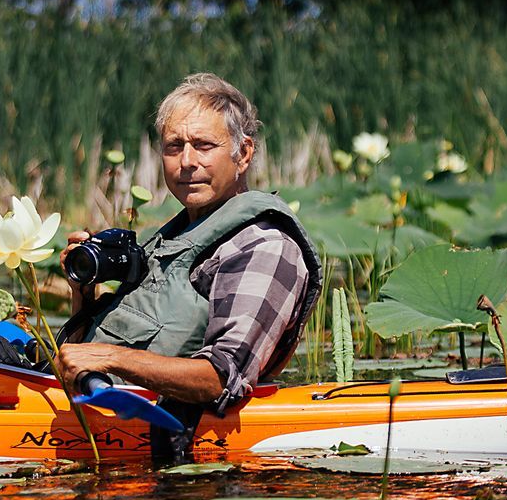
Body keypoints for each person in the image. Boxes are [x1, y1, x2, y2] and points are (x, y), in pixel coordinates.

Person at [56, 73, 322, 460]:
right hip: (96, 395)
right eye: (174, 146)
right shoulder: (172, 237)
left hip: (172, 427)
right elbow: (80, 352)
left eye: (203, 145)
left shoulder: (265, 247)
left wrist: (110, 358)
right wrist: (82, 293)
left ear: (243, 153)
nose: (186, 162)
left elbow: (222, 377)